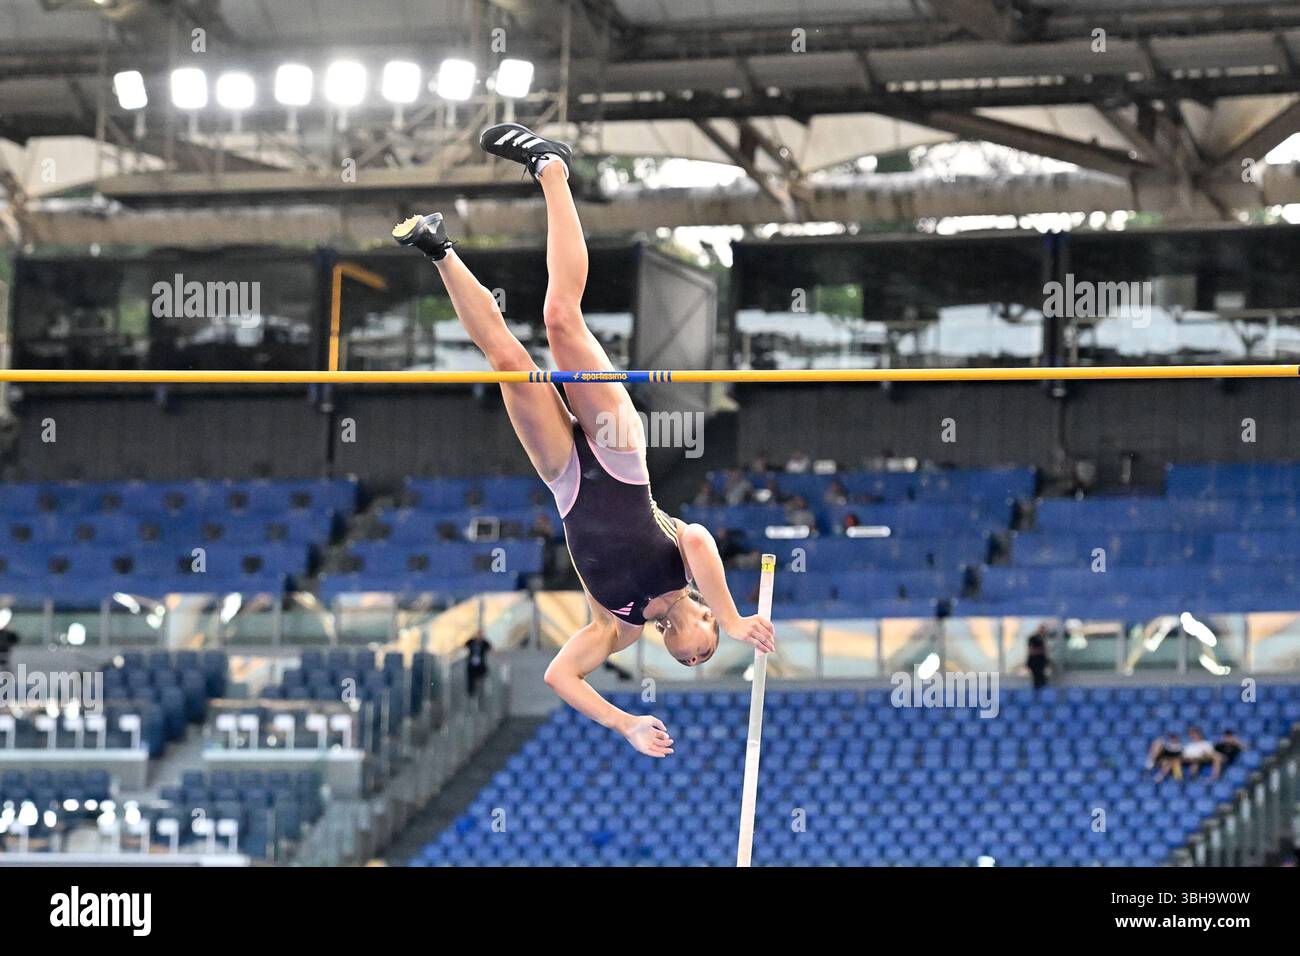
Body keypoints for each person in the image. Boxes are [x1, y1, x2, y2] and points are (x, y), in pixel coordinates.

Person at [393, 123, 774, 759]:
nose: (694, 656)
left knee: (509, 363)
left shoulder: (618, 628)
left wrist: (625, 723)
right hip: (619, 456)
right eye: (705, 651)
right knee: (561, 322)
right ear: (706, 617)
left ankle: (438, 248)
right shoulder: (690, 569)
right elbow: (700, 540)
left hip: (566, 479)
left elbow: (559, 676)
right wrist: (736, 621)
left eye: (690, 662)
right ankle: (551, 167)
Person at [465, 631, 491, 696]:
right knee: (471, 680)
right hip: (472, 665)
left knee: (484, 675)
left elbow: (491, 648)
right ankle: (471, 693)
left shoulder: (484, 643)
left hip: (480, 665)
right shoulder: (471, 642)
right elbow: (464, 645)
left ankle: (483, 691)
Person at [1026, 624, 1051, 690]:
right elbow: (1032, 651)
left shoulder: (1044, 639)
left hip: (1041, 663)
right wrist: (1042, 650)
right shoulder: (1033, 638)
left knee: (1042, 680)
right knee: (1038, 681)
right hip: (1035, 663)